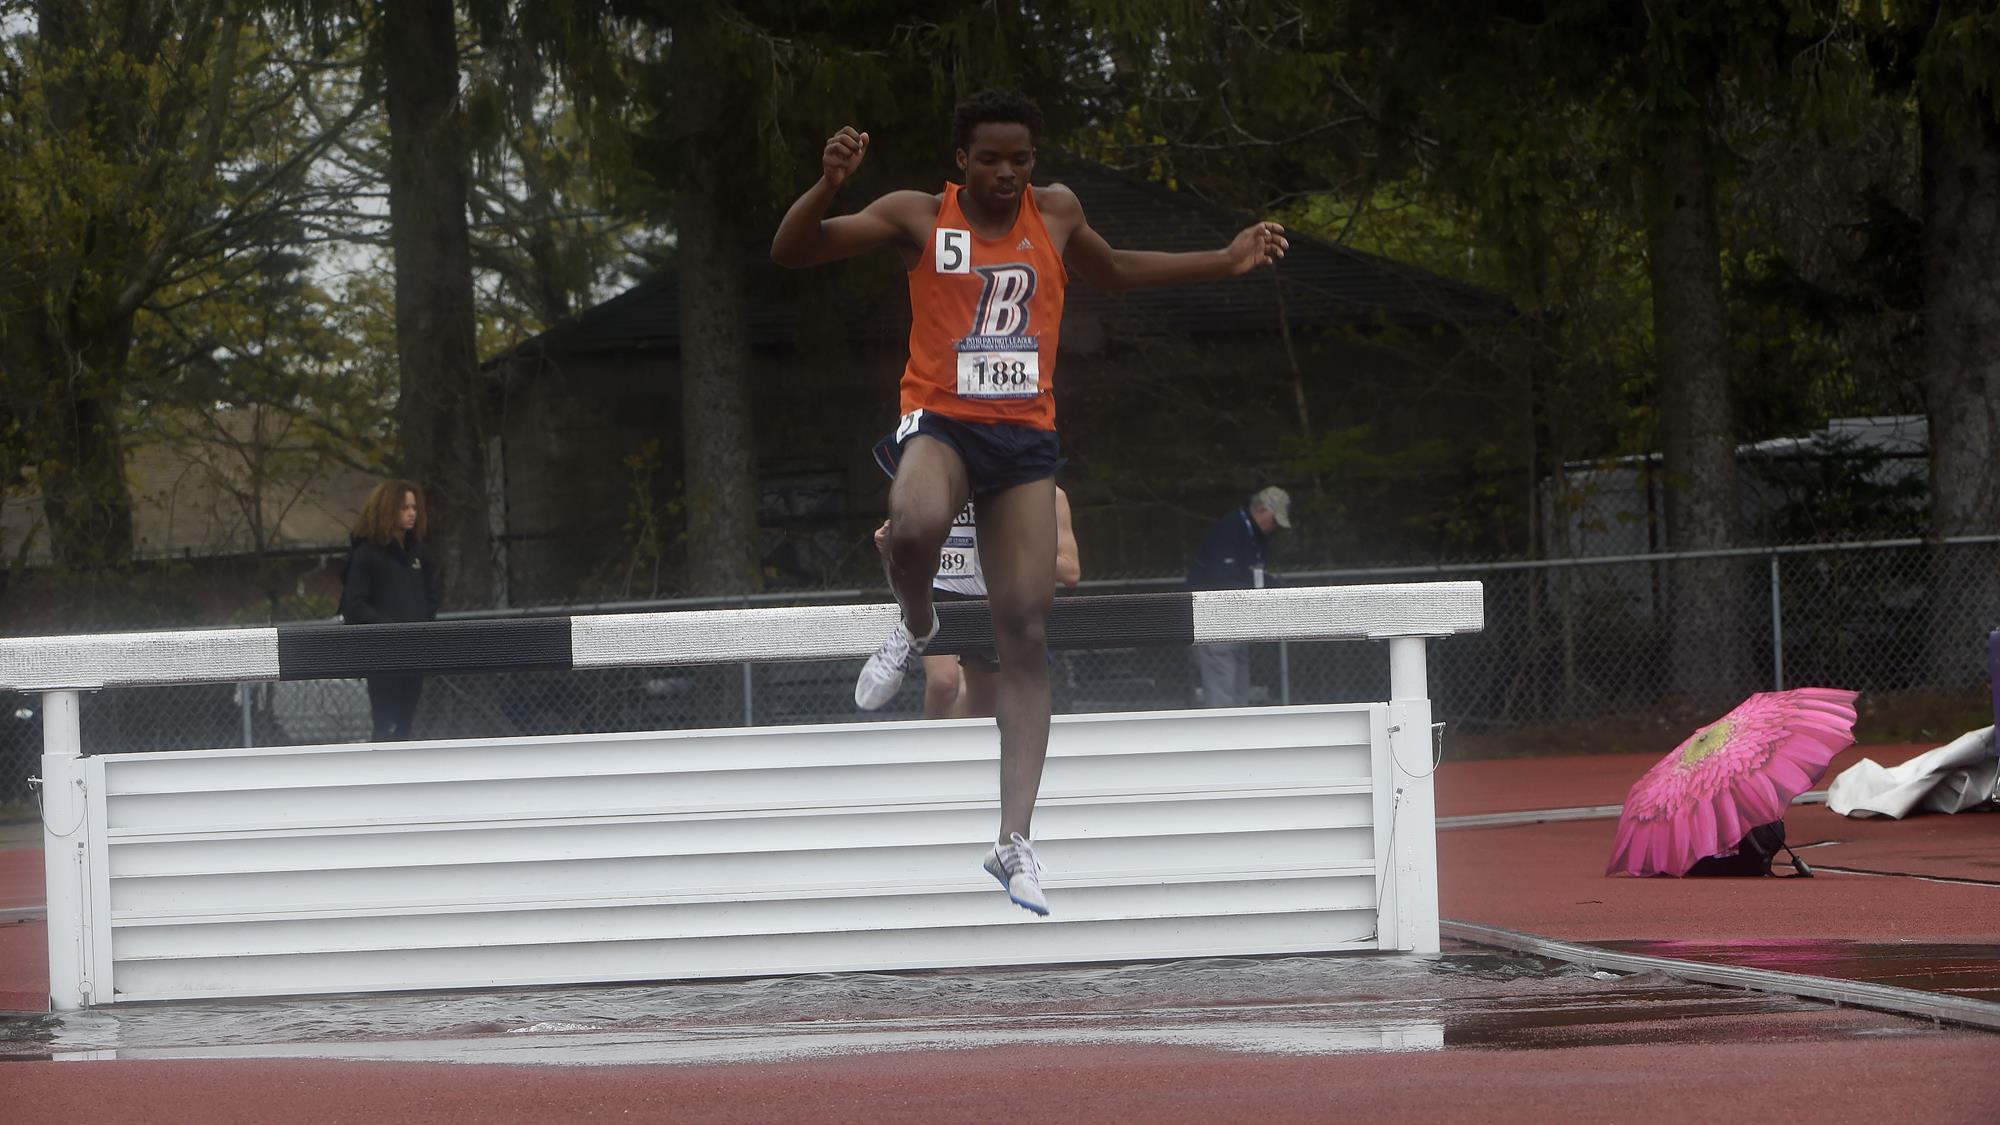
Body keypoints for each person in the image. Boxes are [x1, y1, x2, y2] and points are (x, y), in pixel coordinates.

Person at [771, 89, 1287, 916]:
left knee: (1025, 627)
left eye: (1020, 159)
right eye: (990, 159)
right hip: (942, 421)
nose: (1007, 173)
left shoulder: (1057, 213)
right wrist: (828, 183)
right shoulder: (916, 215)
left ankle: (1014, 842)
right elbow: (794, 251)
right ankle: (915, 623)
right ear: (961, 162)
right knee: (913, 520)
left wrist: (1223, 261)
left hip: (1024, 439)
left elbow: (1114, 271)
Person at [874, 482, 1082, 720]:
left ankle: (968, 751)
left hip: (994, 601)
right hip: (938, 594)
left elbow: (1071, 571)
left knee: (981, 704)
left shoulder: (1051, 497)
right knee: (944, 682)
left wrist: (1017, 550)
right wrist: (891, 543)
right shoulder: (947, 485)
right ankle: (931, 750)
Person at [339, 479, 440, 741]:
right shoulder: (367, 555)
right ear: (387, 510)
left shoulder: (420, 554)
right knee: (386, 725)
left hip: (415, 652)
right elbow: (354, 605)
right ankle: (382, 776)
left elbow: (431, 597)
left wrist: (422, 627)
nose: (411, 513)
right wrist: (388, 629)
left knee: (406, 725)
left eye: (414, 507)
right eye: (404, 507)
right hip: (383, 654)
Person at [1186, 485, 1293, 708]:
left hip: (1237, 622)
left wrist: (1267, 583)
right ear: (1262, 509)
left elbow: (1251, 574)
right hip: (1214, 621)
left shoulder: (1254, 536)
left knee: (1238, 691)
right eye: (1273, 520)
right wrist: (1260, 586)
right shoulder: (1230, 530)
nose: (1273, 527)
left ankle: (1240, 735)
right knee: (1222, 694)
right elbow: (1223, 578)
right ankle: (1223, 739)